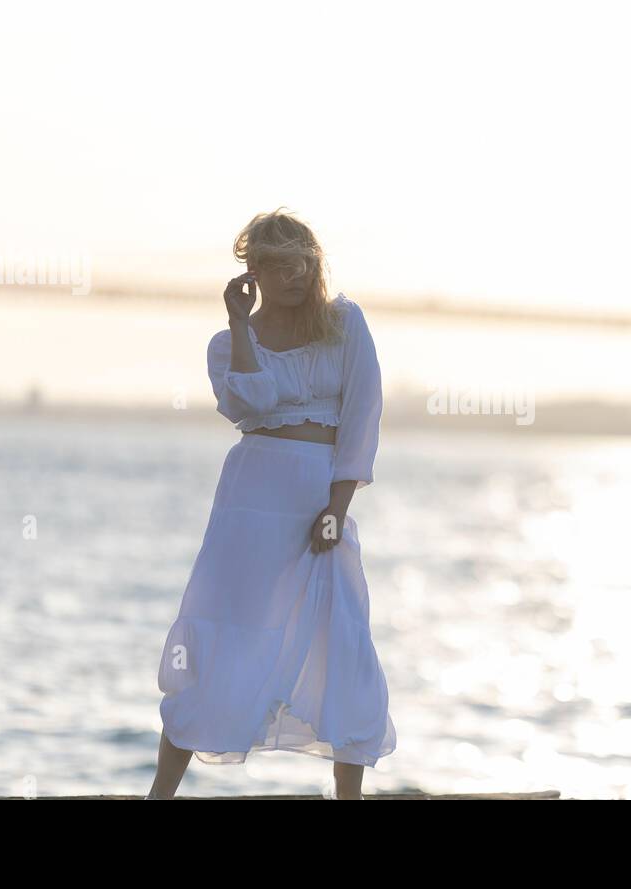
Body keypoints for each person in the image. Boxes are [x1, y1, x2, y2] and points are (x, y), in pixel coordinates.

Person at [148, 208, 395, 800]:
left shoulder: (345, 324)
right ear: (253, 271)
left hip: (318, 500)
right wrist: (238, 324)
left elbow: (362, 415)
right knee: (221, 634)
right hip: (250, 501)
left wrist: (337, 506)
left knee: (345, 644)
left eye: (302, 265)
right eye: (279, 268)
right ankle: (160, 794)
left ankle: (349, 798)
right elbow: (248, 403)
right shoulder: (230, 342)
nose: (294, 278)